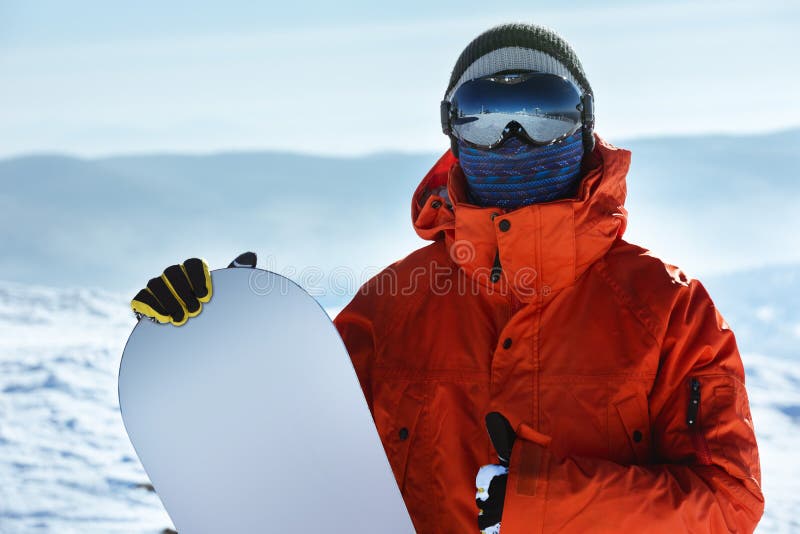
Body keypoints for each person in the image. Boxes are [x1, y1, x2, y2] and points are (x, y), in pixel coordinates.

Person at [132, 23, 764, 533]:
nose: (514, 140)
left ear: (586, 124)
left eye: (542, 111)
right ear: (452, 136)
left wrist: (544, 502)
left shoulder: (667, 309)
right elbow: (298, 451)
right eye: (485, 116)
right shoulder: (392, 306)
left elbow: (730, 505)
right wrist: (219, 343)